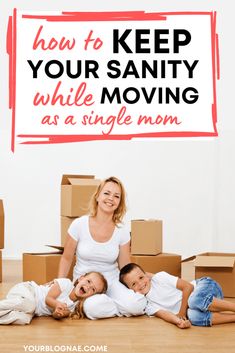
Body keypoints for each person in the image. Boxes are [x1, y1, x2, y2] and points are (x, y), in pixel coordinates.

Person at [58, 176, 146, 319]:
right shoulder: (79, 224)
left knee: (137, 305)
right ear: (97, 196)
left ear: (119, 203)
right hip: (87, 284)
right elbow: (66, 258)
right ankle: (101, 305)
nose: (111, 198)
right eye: (106, 193)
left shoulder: (121, 230)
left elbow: (125, 268)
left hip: (111, 282)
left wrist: (138, 285)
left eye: (116, 196)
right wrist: (60, 284)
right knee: (92, 308)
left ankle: (104, 304)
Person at [120, 263, 235, 328]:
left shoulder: (159, 278)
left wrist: (181, 313)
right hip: (205, 306)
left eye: (141, 277)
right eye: (134, 284)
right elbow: (165, 314)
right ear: (130, 290)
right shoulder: (148, 306)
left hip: (206, 287)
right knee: (193, 316)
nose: (140, 284)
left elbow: (188, 287)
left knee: (193, 301)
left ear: (146, 275)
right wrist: (179, 321)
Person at [0, 271, 107, 325]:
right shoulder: (66, 284)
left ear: (92, 296)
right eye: (88, 281)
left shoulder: (74, 307)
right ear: (80, 278)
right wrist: (56, 304)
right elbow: (48, 299)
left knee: (24, 319)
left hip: (32, 310)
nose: (88, 287)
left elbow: (56, 315)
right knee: (29, 305)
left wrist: (58, 313)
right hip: (28, 291)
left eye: (93, 289)